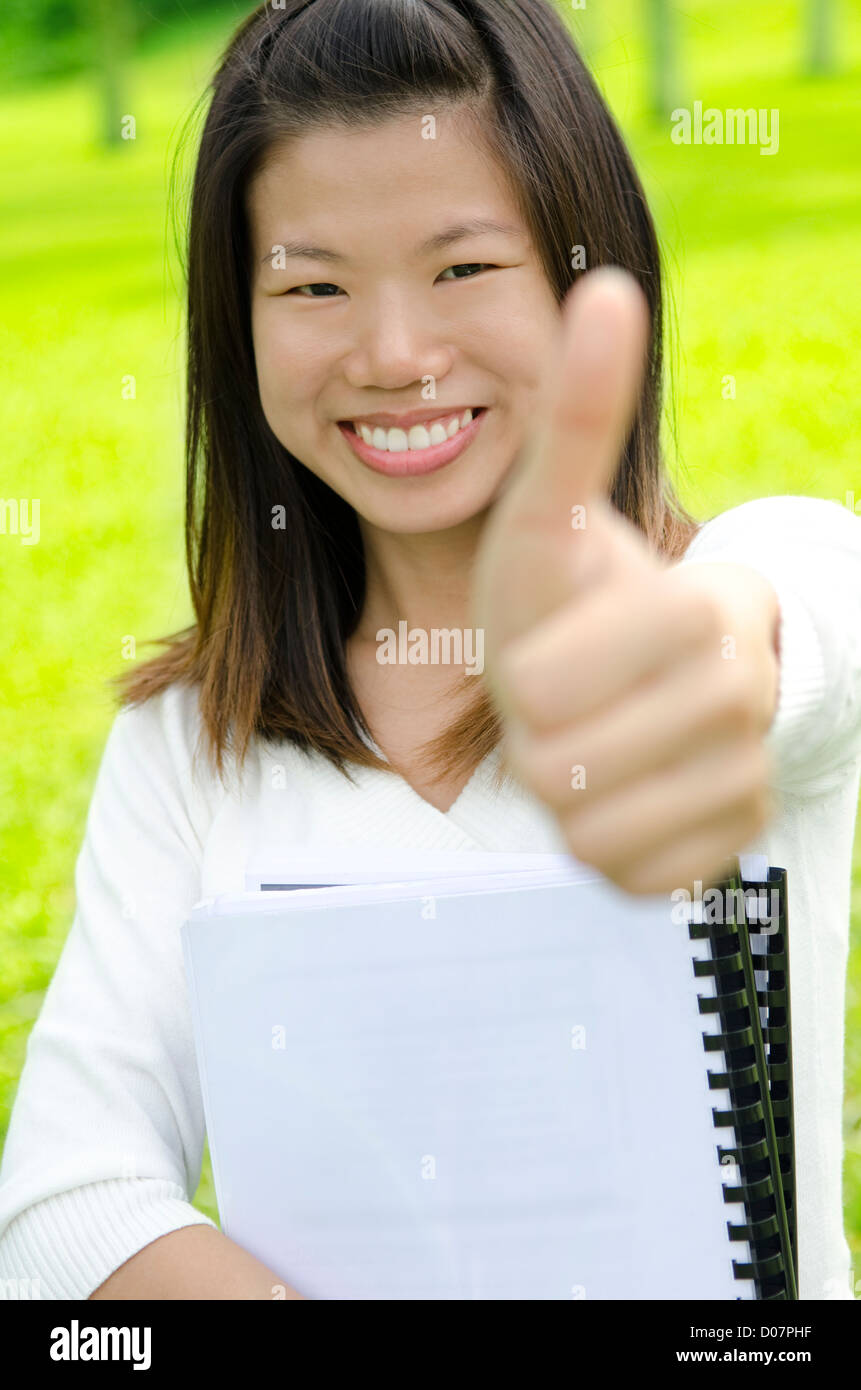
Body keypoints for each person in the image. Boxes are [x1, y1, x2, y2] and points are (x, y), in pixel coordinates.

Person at [1, 0, 859, 1301]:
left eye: (462, 269)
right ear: (238, 324)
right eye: (313, 285)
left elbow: (795, 606)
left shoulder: (737, 599)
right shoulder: (188, 746)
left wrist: (704, 651)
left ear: (583, 273)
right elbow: (65, 1204)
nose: (394, 356)